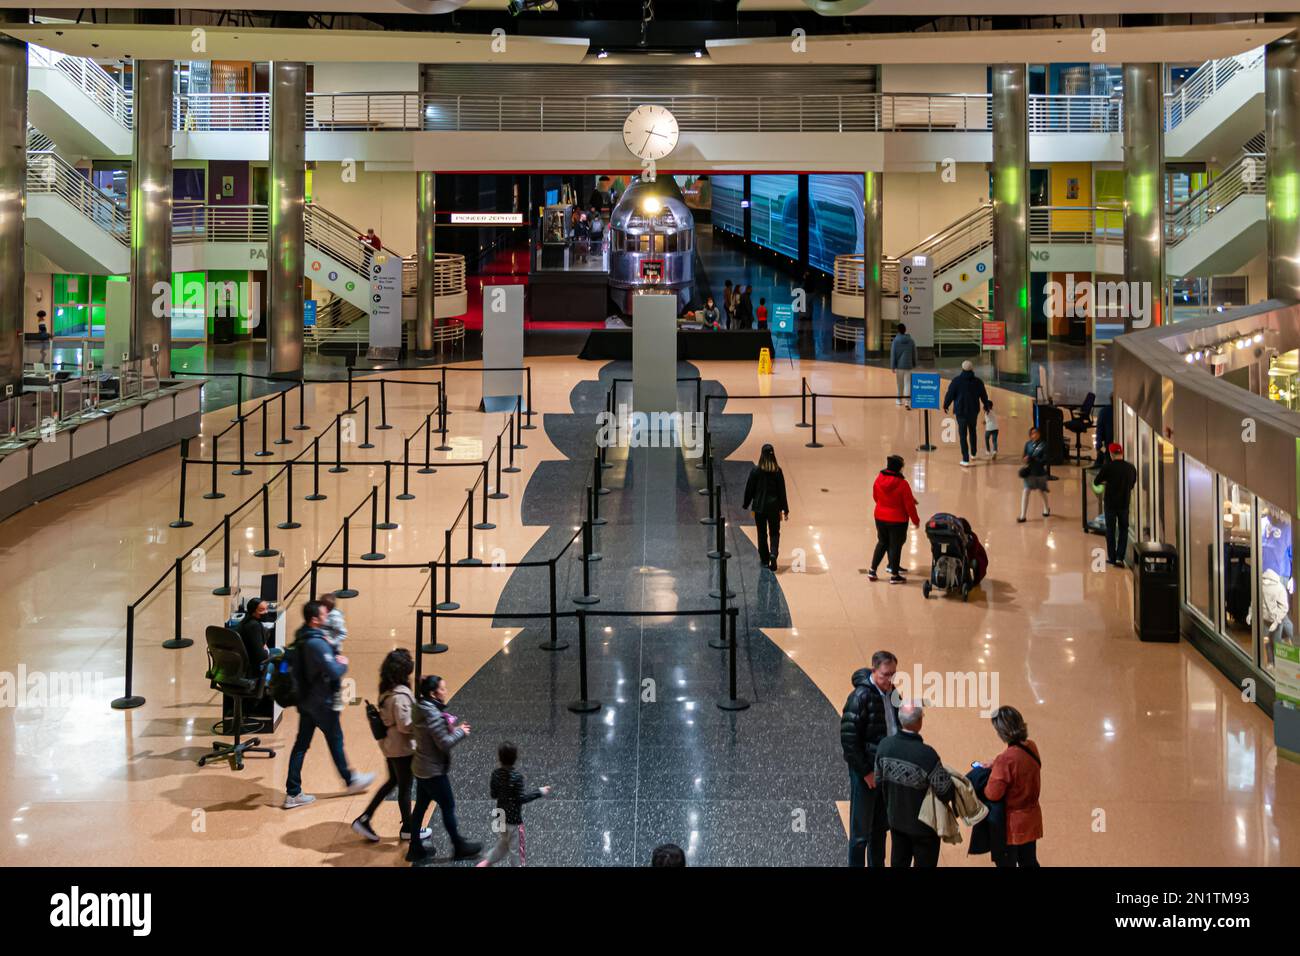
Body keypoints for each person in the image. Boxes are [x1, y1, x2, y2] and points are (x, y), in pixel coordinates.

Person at [283, 601, 375, 810]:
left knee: (301, 746)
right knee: (335, 740)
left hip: (306, 701)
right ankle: (350, 780)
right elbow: (333, 670)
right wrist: (343, 662)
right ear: (315, 619)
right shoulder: (316, 643)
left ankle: (293, 792)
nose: (327, 616)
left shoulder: (302, 635)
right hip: (321, 703)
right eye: (324, 614)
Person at [352, 649, 432, 844]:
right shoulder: (400, 696)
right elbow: (406, 725)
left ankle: (365, 818)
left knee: (393, 782)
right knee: (405, 788)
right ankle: (408, 828)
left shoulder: (387, 690)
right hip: (402, 749)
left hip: (390, 746)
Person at [406, 674, 482, 863]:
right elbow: (444, 743)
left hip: (421, 766)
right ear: (433, 694)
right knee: (448, 806)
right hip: (433, 771)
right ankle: (459, 846)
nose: (445, 692)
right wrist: (460, 732)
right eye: (442, 689)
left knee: (421, 808)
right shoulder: (432, 714)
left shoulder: (420, 706)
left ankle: (415, 848)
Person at [873, 701, 953, 868]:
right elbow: (946, 791)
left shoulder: (884, 746)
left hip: (896, 821)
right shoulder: (927, 755)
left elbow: (879, 781)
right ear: (919, 722)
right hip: (924, 828)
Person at [840, 651, 899, 867]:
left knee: (880, 830)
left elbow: (897, 725)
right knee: (860, 835)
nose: (890, 680)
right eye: (885, 674)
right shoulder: (859, 697)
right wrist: (866, 772)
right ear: (874, 670)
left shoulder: (893, 693)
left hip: (887, 773)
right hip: (866, 774)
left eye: (893, 674)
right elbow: (849, 741)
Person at [980, 706, 1042, 868]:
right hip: (1031, 818)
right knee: (1029, 861)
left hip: (1012, 825)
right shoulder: (1031, 746)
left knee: (1006, 863)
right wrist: (996, 764)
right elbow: (1020, 763)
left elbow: (992, 794)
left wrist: (993, 773)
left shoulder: (1005, 760)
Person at [476, 741, 551, 867]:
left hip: (499, 816)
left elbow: (493, 795)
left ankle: (487, 862)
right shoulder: (517, 777)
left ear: (499, 757)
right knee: (517, 852)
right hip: (514, 821)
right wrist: (539, 792)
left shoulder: (495, 774)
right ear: (515, 758)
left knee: (504, 843)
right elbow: (521, 799)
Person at [868, 454, 920, 584]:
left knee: (882, 542)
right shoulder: (903, 484)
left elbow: (876, 497)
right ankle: (894, 574)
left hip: (880, 517)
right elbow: (909, 506)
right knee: (896, 546)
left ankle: (872, 571)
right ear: (899, 468)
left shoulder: (879, 479)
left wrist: (885, 506)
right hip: (898, 521)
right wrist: (916, 520)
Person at [742, 443, 789, 572]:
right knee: (774, 533)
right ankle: (773, 554)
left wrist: (746, 504)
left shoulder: (756, 471)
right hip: (774, 508)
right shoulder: (777, 471)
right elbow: (782, 492)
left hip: (759, 508)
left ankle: (764, 559)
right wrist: (785, 509)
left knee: (761, 533)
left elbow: (749, 490)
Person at [1092, 441, 1138, 567]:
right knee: (1124, 530)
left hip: (1110, 504)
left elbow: (1096, 482)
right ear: (1122, 453)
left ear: (1111, 454)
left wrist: (1106, 482)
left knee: (1110, 530)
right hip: (1124, 504)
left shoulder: (1108, 467)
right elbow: (1132, 484)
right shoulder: (1131, 468)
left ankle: (1112, 557)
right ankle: (1119, 557)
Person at [942, 360, 992, 467]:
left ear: (962, 369)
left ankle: (965, 459)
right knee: (973, 431)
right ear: (972, 369)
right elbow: (984, 395)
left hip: (961, 412)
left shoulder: (956, 381)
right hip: (973, 411)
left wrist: (946, 405)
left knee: (963, 435)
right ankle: (973, 453)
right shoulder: (978, 382)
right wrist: (986, 406)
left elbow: (950, 394)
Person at [319, 593, 347, 712]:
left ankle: (337, 697)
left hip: (333, 649)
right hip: (321, 647)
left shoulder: (335, 617)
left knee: (333, 673)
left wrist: (332, 642)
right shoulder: (320, 613)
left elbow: (342, 633)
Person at [1017, 426, 1051, 523]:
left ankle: (1046, 508)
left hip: (1040, 473)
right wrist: (1025, 459)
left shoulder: (1044, 445)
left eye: (1036, 432)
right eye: (1032, 433)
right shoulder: (1028, 444)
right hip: (1030, 472)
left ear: (1039, 434)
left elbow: (1045, 459)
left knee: (1042, 491)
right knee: (1026, 491)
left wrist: (1033, 459)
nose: (1034, 434)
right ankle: (1023, 515)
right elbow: (1024, 456)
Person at [236, 596, 271, 678]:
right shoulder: (254, 626)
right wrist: (267, 651)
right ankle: (269, 685)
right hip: (253, 667)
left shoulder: (244, 622)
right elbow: (261, 656)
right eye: (262, 610)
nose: (266, 612)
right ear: (253, 612)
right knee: (280, 656)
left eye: (266, 609)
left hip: (243, 663)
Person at [890, 323, 916, 407]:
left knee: (899, 384)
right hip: (908, 366)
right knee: (908, 383)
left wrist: (893, 366)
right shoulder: (911, 340)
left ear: (898, 330)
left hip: (899, 367)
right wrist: (914, 363)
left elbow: (893, 354)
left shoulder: (895, 341)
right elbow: (914, 353)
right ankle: (907, 401)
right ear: (905, 330)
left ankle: (899, 400)